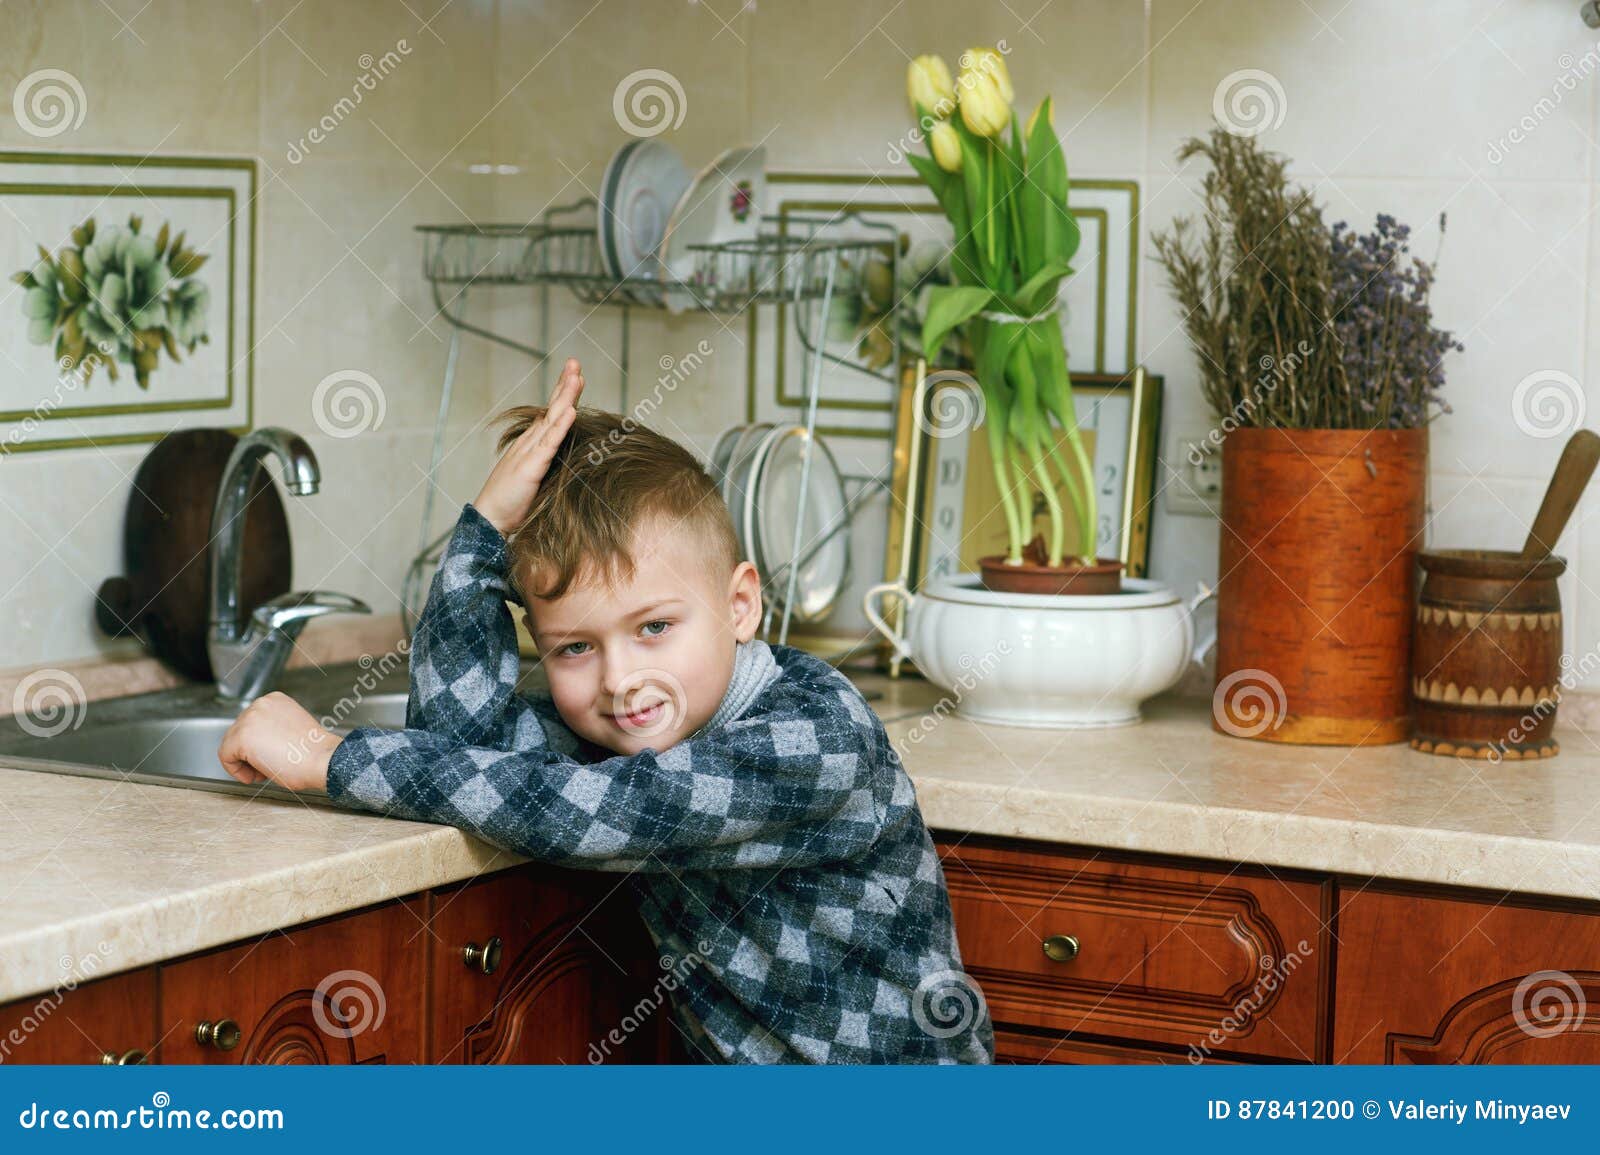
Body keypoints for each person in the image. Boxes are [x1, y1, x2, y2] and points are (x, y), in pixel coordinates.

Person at [217, 357, 994, 1064]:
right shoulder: (627, 736)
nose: (621, 679)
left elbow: (590, 813)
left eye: (654, 627)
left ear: (740, 604)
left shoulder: (818, 738)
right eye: (574, 647)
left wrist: (330, 756)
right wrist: (483, 532)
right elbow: (459, 738)